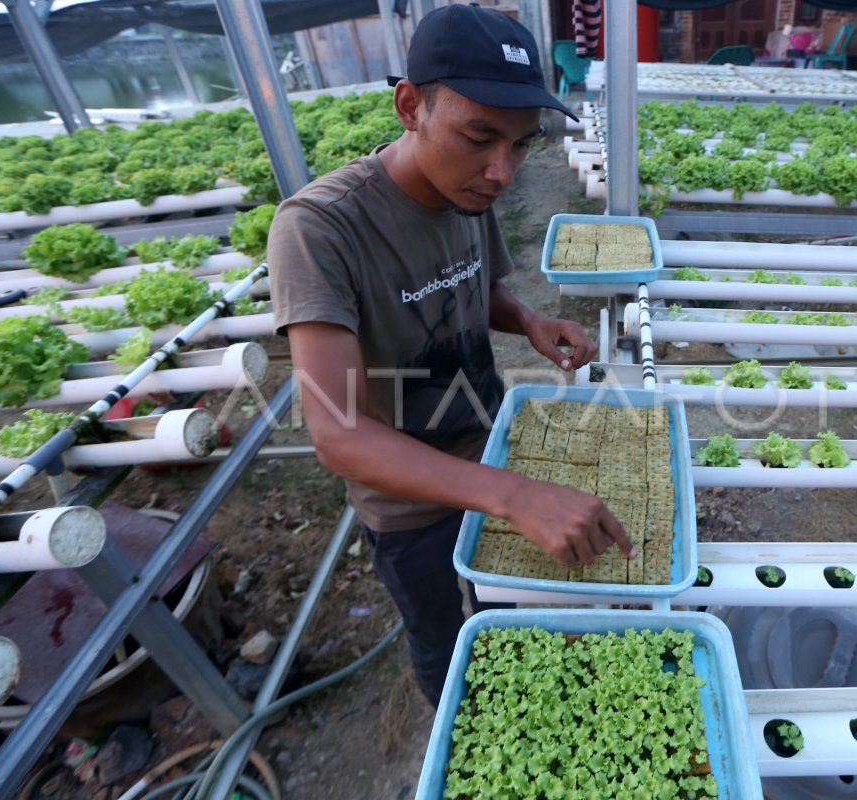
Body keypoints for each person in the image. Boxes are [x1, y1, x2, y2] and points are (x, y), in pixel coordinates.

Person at [268, 3, 633, 707]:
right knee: (445, 639)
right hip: (409, 505)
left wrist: (526, 319)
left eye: (521, 145)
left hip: (490, 451)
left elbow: (475, 284)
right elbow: (338, 434)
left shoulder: (467, 190)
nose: (502, 171)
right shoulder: (319, 228)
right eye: (479, 137)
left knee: (510, 613)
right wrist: (516, 496)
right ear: (411, 106)